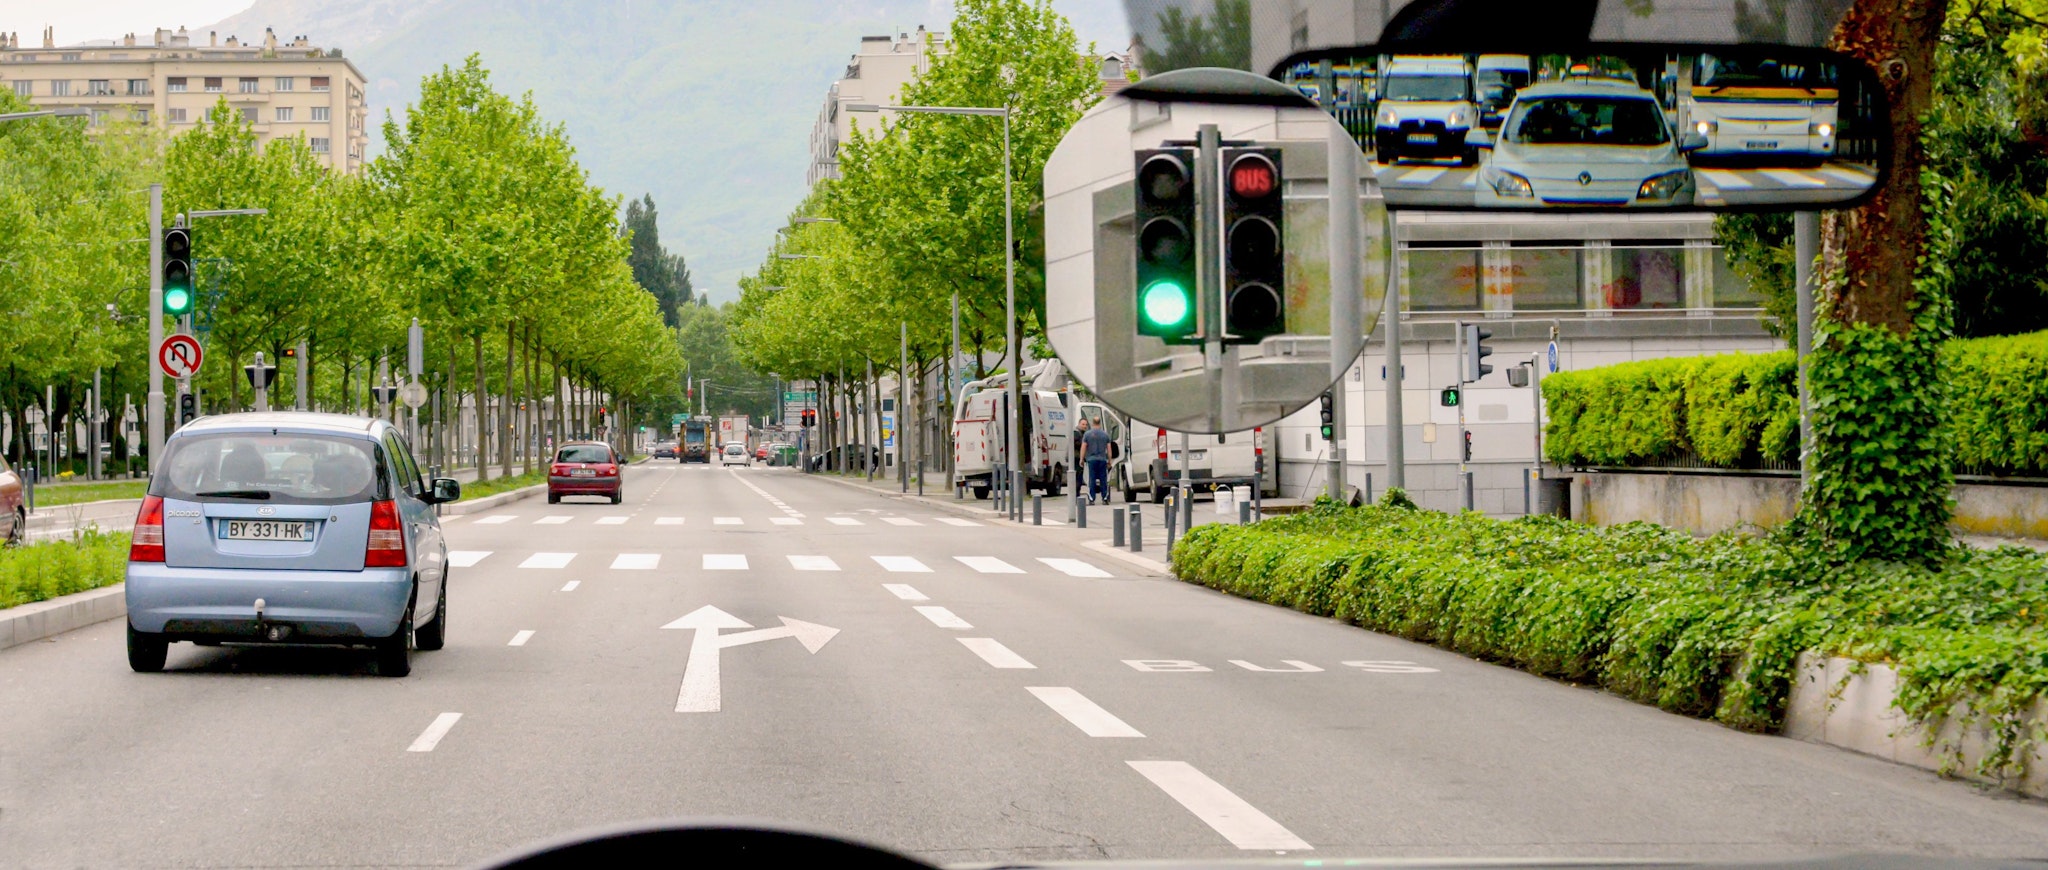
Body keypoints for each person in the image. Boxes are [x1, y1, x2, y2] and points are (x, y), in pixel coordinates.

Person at [1080, 418, 1115, 505]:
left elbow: (1084, 447)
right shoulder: (1105, 435)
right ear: (1100, 423)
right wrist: (1109, 460)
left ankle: (1092, 498)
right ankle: (1105, 497)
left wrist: (1081, 459)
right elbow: (1109, 449)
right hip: (1102, 459)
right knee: (1103, 479)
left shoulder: (1087, 434)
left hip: (1091, 460)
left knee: (1091, 479)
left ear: (1092, 423)